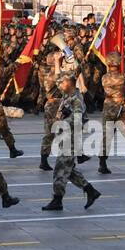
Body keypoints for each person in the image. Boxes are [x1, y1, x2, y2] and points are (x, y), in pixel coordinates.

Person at [41, 73, 101, 211]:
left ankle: (57, 200)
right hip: (65, 138)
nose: (60, 85)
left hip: (71, 140)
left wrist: (62, 122)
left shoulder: (77, 99)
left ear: (69, 83)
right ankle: (90, 190)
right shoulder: (67, 96)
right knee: (68, 169)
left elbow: (78, 119)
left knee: (59, 169)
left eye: (62, 83)